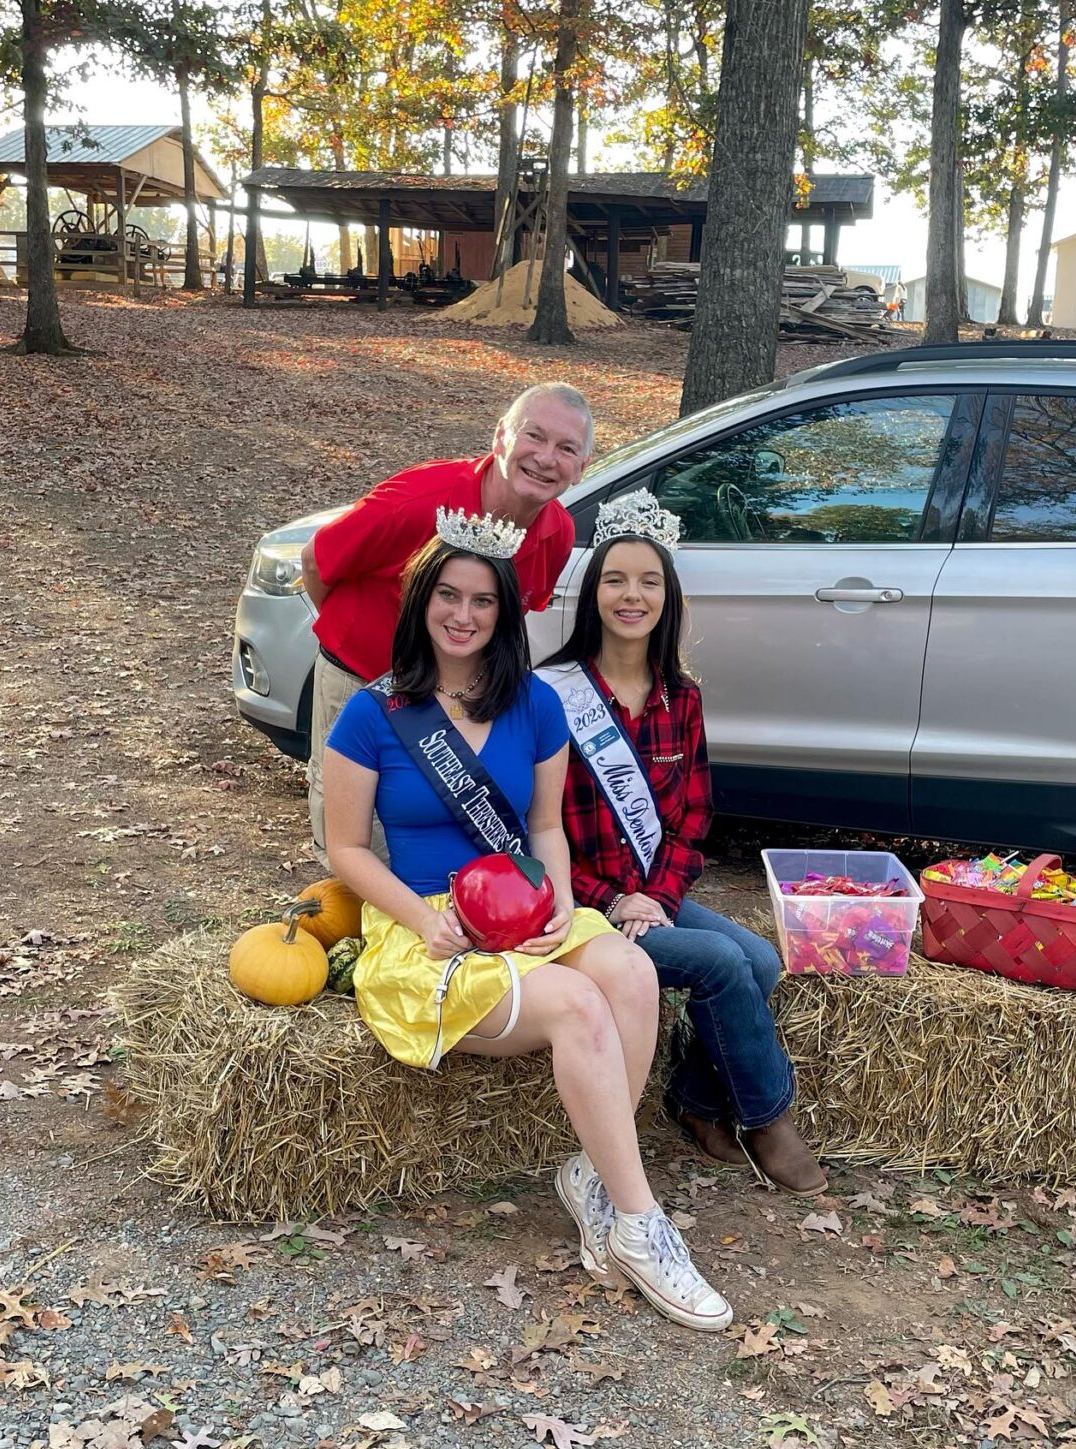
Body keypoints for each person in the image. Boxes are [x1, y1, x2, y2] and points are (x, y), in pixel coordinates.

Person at [322, 509, 733, 1332]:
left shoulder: (536, 705)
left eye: (483, 600)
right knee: (578, 1007)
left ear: (506, 614)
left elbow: (545, 828)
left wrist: (559, 906)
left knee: (629, 969)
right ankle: (640, 1226)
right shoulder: (373, 714)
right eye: (448, 596)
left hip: (525, 905)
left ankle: (591, 1174)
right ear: (422, 603)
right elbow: (345, 850)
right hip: (425, 923)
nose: (464, 615)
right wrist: (420, 919)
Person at [539, 491, 827, 1197]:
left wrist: (656, 897)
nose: (630, 595)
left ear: (667, 598)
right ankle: (766, 1118)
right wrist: (617, 901)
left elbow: (693, 819)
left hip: (648, 899)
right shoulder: (549, 695)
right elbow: (533, 828)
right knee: (722, 965)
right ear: (592, 594)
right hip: (577, 904)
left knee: (757, 958)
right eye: (614, 579)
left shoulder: (681, 697)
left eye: (648, 581)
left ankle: (696, 1104)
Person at [301, 383, 593, 869]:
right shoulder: (417, 500)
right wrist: (357, 637)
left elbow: (508, 617)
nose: (546, 458)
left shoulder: (557, 533)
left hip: (456, 697)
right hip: (360, 681)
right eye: (534, 436)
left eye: (566, 449)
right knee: (354, 847)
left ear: (582, 466)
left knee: (444, 841)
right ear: (500, 437)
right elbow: (317, 561)